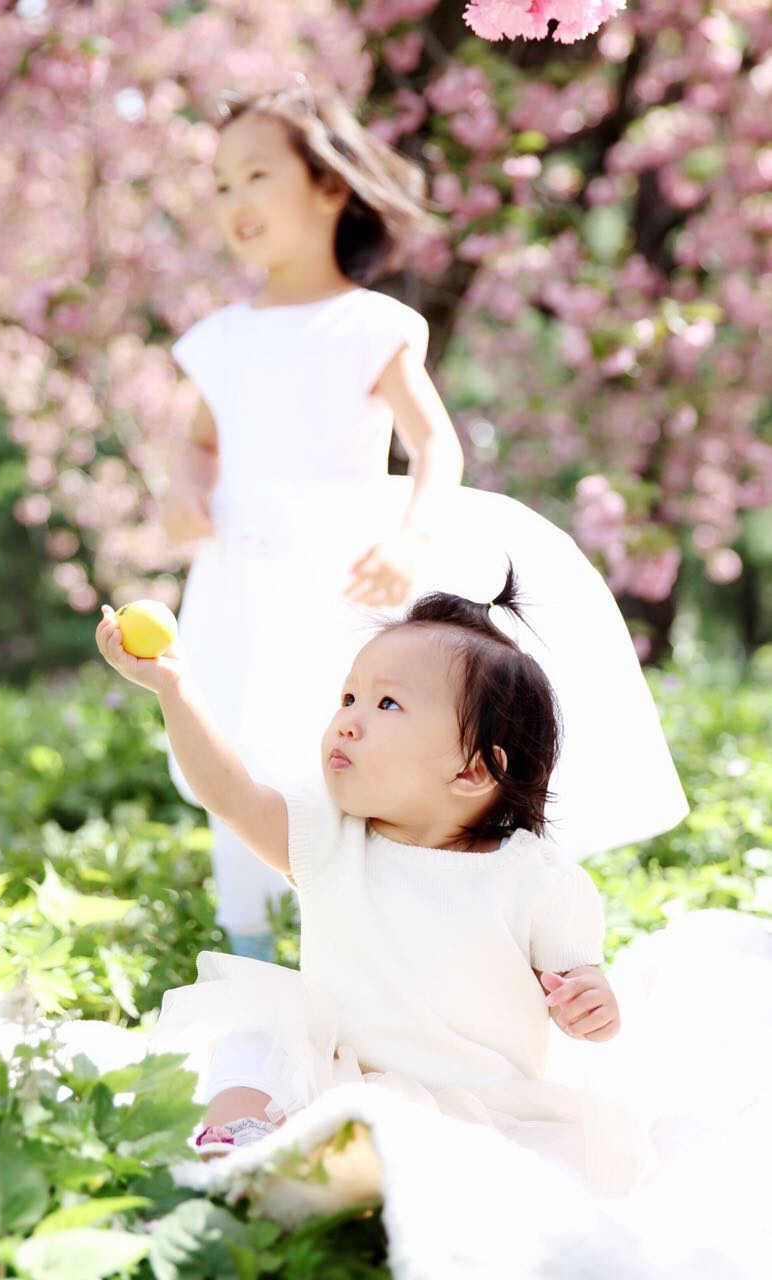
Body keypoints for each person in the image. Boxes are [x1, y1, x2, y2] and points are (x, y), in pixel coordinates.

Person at [161, 82, 686, 962]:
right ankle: (247, 944)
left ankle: (401, 923)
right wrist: (187, 490)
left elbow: (435, 448)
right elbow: (202, 443)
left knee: (346, 733)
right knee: (241, 732)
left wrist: (408, 539)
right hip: (241, 569)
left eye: (255, 175)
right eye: (219, 185)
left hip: (340, 569)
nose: (234, 201)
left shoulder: (368, 326)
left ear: (330, 186)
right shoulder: (222, 338)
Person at [96, 567, 662, 1195]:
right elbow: (230, 795)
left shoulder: (533, 879)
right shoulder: (331, 835)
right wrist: (174, 687)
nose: (348, 721)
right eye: (347, 699)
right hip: (342, 1079)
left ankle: (358, 1186)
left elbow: (578, 979)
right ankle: (242, 1150)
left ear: (474, 770)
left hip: (480, 1106)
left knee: (540, 1175)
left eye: (386, 703)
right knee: (252, 1040)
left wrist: (591, 1001)